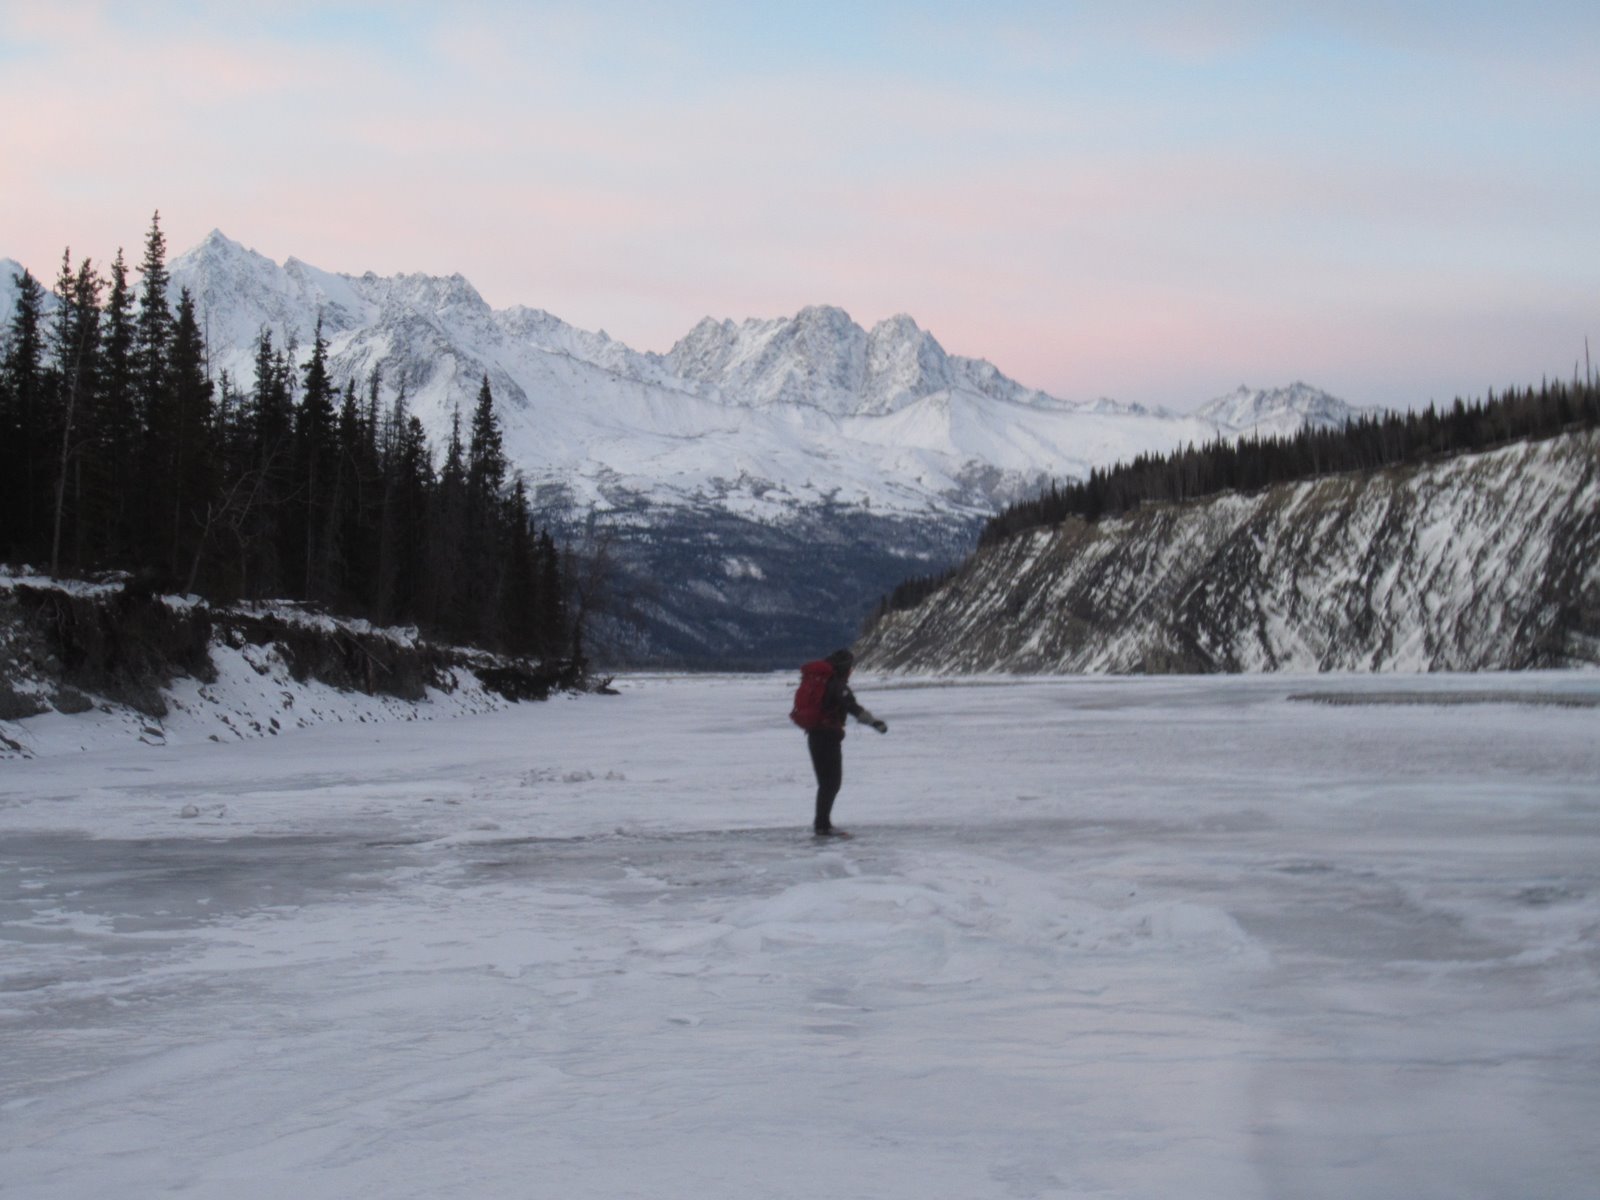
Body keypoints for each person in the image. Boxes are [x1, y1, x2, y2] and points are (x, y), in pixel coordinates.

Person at [802, 649, 887, 836]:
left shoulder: (824, 683)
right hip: (828, 737)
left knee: (826, 783)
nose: (851, 672)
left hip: (815, 736)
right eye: (850, 668)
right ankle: (822, 826)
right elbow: (853, 708)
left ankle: (822, 823)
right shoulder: (837, 686)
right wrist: (874, 723)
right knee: (831, 783)